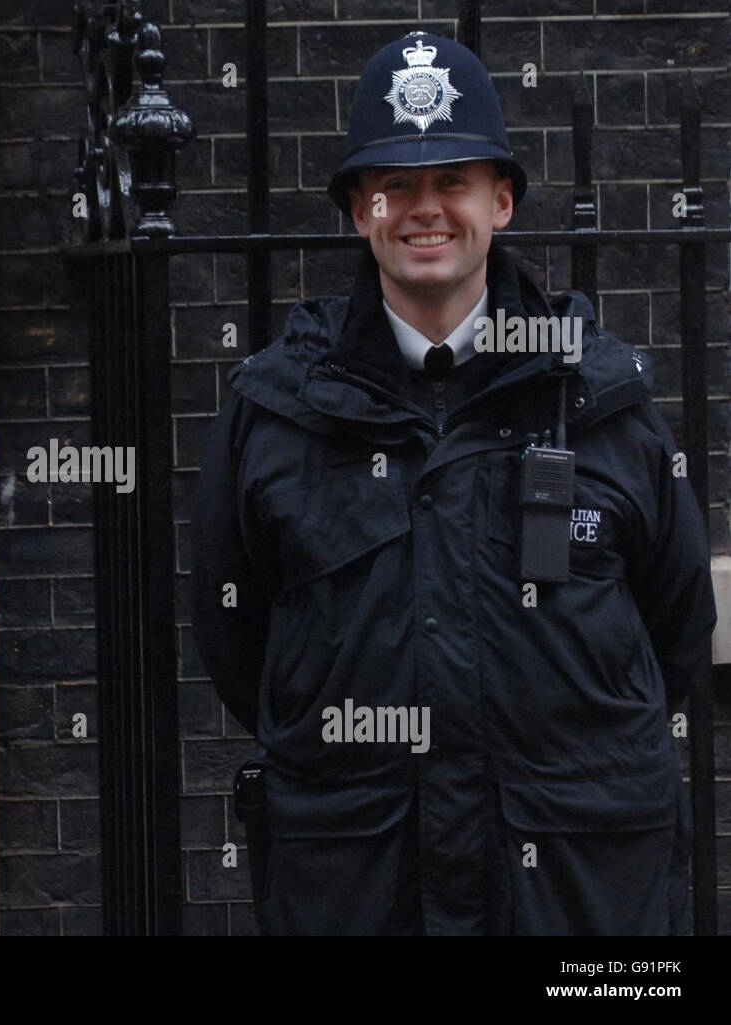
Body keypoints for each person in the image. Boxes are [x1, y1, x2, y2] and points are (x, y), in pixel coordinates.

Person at [193, 31, 715, 935]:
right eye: (394, 186)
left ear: (501, 201)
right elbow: (237, 641)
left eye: (452, 184)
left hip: (573, 892)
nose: (422, 210)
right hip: (359, 879)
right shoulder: (274, 411)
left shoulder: (600, 394)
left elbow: (676, 627)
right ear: (361, 210)